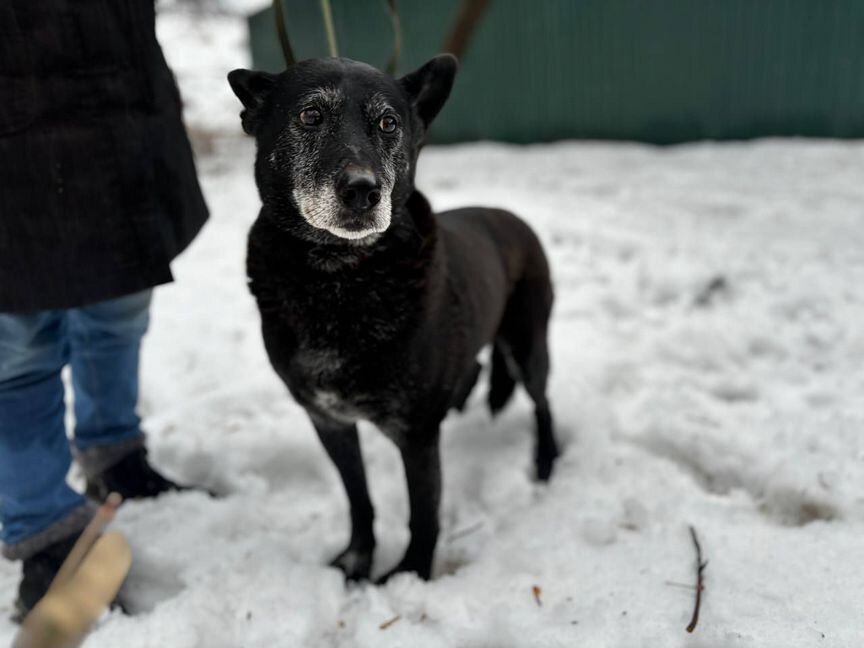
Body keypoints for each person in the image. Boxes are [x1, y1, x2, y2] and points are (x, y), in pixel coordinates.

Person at [0, 2, 208, 618]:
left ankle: (113, 452)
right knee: (18, 326)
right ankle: (42, 531)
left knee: (120, 288)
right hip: (11, 91)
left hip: (118, 80)